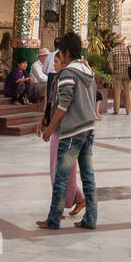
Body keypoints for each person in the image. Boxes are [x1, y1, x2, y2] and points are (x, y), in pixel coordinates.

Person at [37, 32, 97, 231]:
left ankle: (53, 219)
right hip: (88, 128)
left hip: (72, 132)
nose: (59, 56)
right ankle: (91, 219)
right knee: (88, 176)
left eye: (60, 52)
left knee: (62, 177)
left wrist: (50, 128)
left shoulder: (68, 73)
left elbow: (63, 104)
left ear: (66, 52)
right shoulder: (87, 70)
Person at [36, 45, 85, 220]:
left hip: (67, 130)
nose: (53, 65)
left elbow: (64, 105)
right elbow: (52, 103)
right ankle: (78, 199)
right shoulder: (58, 78)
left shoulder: (69, 77)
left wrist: (49, 128)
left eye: (56, 62)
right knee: (57, 168)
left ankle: (58, 209)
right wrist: (43, 120)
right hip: (59, 129)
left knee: (63, 170)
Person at [107, 31, 131, 115]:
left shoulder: (113, 50)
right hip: (127, 73)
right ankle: (128, 111)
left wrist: (113, 71)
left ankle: (116, 110)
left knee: (117, 92)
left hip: (117, 73)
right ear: (122, 41)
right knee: (128, 92)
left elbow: (110, 64)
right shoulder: (129, 49)